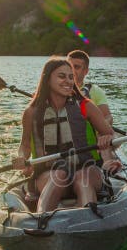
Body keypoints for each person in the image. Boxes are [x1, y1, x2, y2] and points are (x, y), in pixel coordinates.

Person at [12, 55, 118, 212]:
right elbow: (25, 145)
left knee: (82, 177)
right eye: (61, 76)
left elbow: (110, 135)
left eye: (70, 77)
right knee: (59, 175)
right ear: (47, 79)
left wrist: (107, 139)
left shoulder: (85, 106)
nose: (68, 81)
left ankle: (88, 219)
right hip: (48, 174)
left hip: (86, 169)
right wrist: (21, 157)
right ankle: (42, 220)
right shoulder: (31, 112)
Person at [66, 49, 113, 126]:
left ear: (86, 71)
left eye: (76, 67)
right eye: (69, 66)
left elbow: (108, 117)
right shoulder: (57, 90)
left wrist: (103, 131)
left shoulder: (95, 91)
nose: (72, 70)